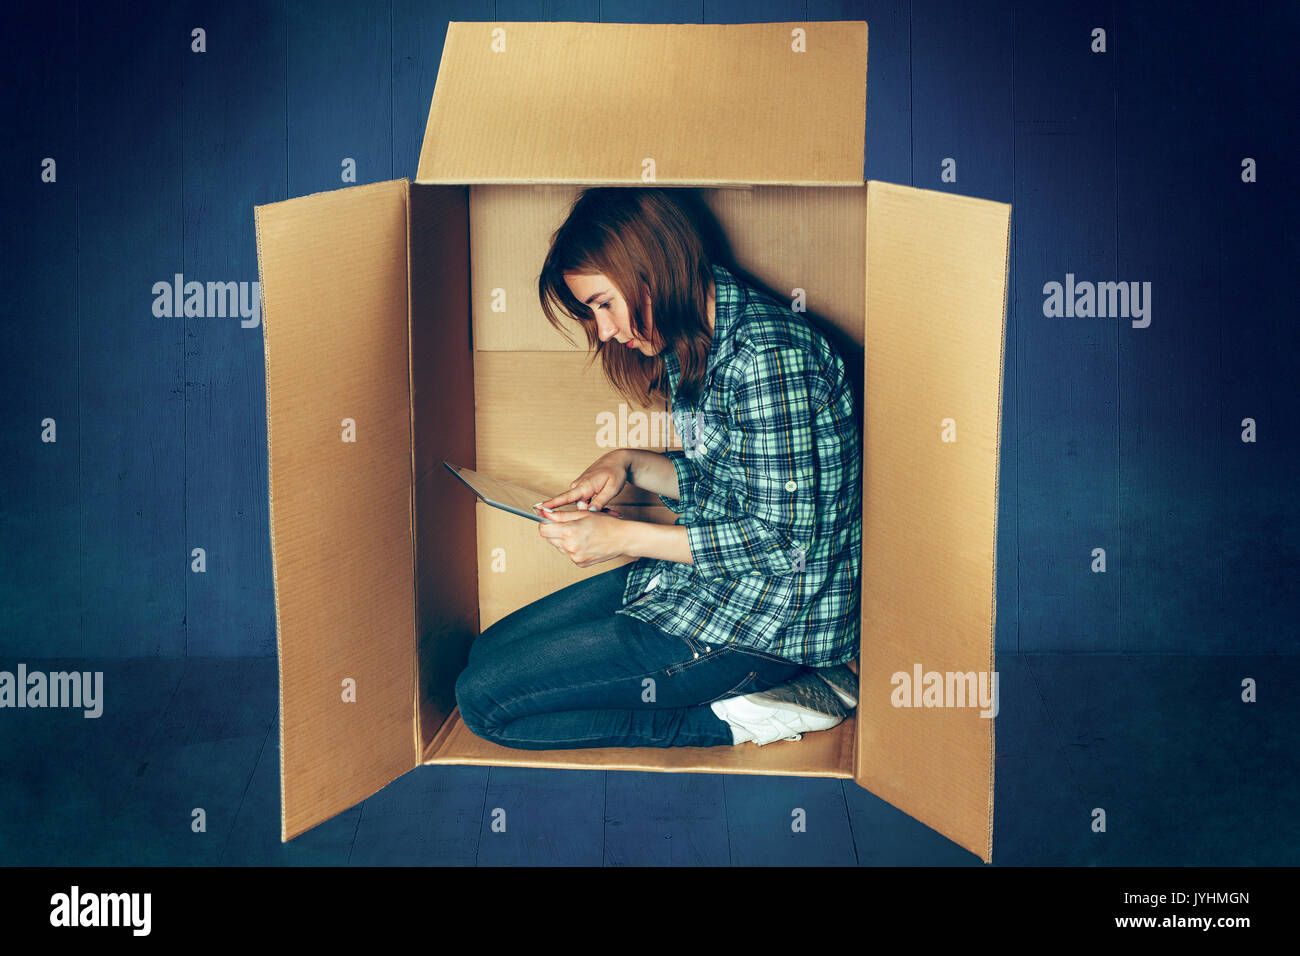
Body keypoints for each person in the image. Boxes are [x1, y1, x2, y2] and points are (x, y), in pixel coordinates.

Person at [454, 187, 863, 750]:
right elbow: (729, 482)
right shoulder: (692, 335)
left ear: (651, 269)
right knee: (483, 655)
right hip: (701, 585)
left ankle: (756, 711)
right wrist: (630, 464)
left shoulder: (768, 358)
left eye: (602, 303)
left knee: (485, 704)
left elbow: (779, 539)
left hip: (763, 627)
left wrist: (622, 536)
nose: (602, 331)